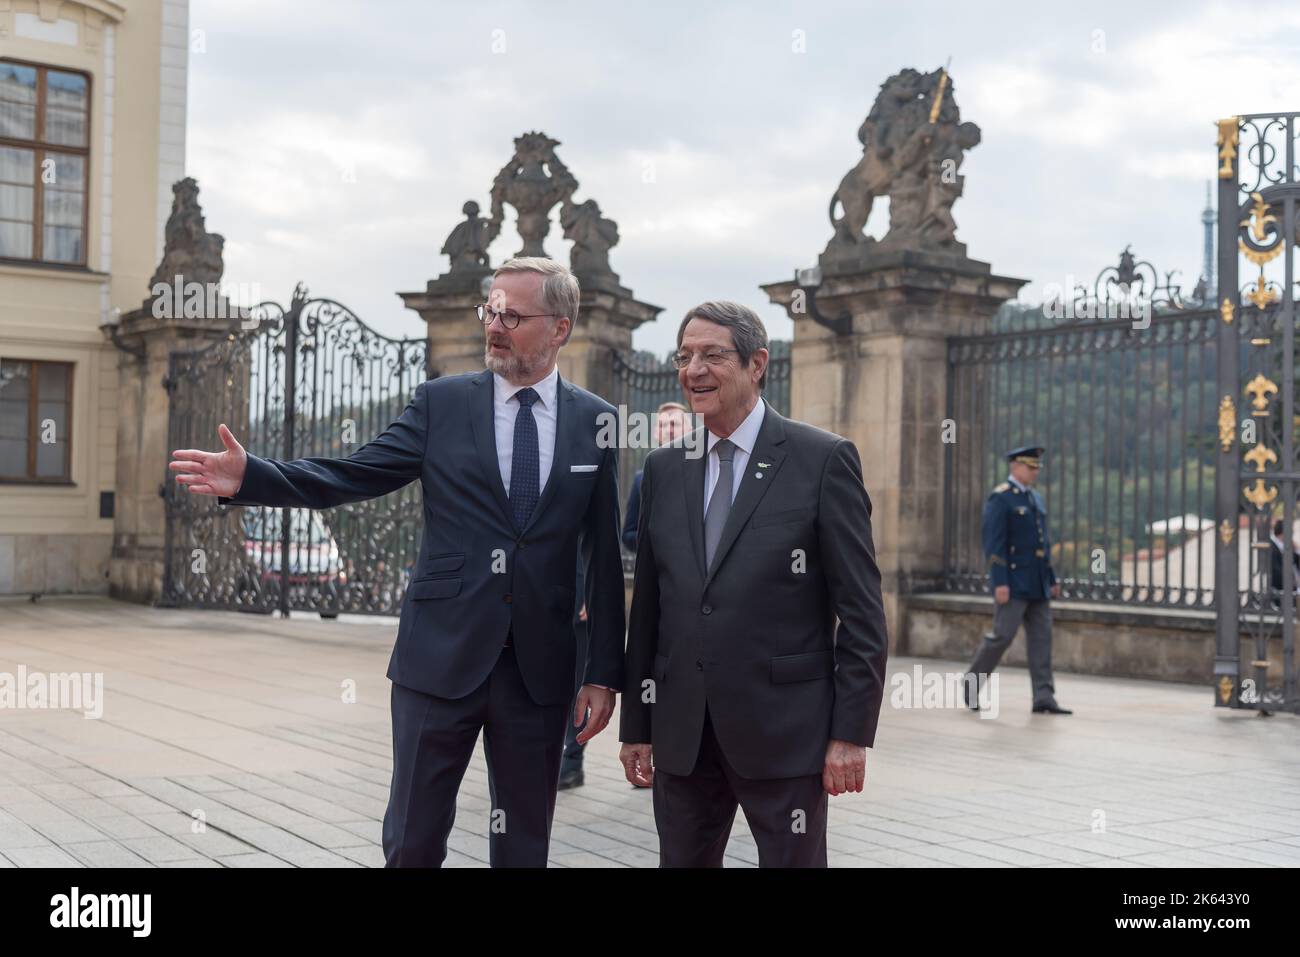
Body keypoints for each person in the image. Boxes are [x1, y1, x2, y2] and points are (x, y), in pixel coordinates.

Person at [168, 256, 625, 867]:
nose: (494, 326)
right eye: (490, 311)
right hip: (439, 659)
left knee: (523, 846)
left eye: (513, 316)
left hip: (539, 673)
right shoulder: (442, 403)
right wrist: (254, 477)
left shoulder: (595, 420)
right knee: (412, 839)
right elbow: (351, 474)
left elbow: (603, 549)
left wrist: (602, 673)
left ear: (560, 328)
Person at [619, 300, 889, 868]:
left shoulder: (822, 460)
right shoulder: (665, 470)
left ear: (757, 363)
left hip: (787, 734)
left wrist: (850, 734)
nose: (694, 370)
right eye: (685, 356)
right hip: (683, 736)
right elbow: (649, 610)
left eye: (713, 355)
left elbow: (862, 612)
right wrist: (638, 726)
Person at [965, 445, 1071, 715]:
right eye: (1030, 466)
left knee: (1042, 640)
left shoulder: (1035, 498)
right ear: (1015, 466)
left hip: (1037, 582)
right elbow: (993, 545)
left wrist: (1051, 577)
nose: (1034, 471)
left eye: (1036, 467)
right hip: (1012, 583)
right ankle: (971, 685)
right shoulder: (1001, 499)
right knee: (1001, 637)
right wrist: (999, 582)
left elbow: (1043, 544)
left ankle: (1044, 696)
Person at [622, 401, 691, 551]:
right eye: (662, 425)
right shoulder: (641, 479)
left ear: (690, 429)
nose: (668, 430)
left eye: (674, 424)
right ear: (655, 433)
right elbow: (628, 535)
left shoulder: (708, 471)